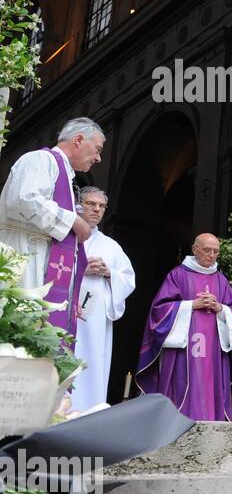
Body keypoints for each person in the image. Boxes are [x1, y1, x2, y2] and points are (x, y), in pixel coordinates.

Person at [0, 117, 104, 347]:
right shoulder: (40, 160)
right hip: (24, 262)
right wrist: (73, 221)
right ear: (78, 139)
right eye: (97, 149)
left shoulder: (64, 174)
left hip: (39, 267)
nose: (98, 157)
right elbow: (24, 200)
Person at [135, 233, 232, 421]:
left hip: (212, 352)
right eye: (207, 250)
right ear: (194, 250)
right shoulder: (178, 275)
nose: (212, 255)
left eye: (216, 252)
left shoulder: (221, 280)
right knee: (183, 390)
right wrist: (192, 305)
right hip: (183, 352)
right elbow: (158, 311)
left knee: (211, 389)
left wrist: (219, 308)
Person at [70, 187, 136, 411]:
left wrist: (109, 273)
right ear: (78, 205)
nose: (97, 209)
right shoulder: (63, 236)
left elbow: (128, 279)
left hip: (95, 321)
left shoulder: (111, 246)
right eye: (91, 204)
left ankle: (88, 411)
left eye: (101, 206)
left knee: (92, 361)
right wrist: (81, 268)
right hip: (65, 310)